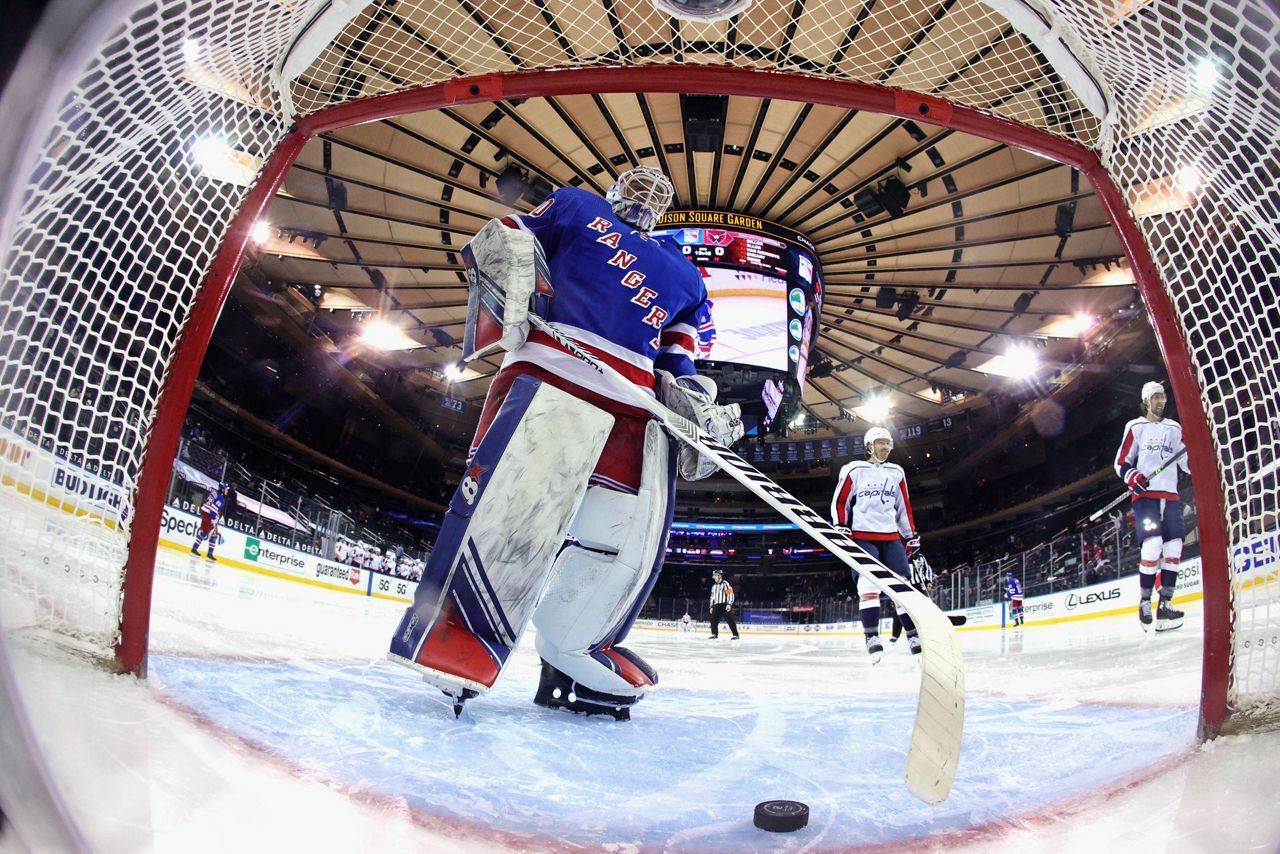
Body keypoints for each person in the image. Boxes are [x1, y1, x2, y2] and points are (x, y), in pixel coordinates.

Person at [388, 166, 743, 719]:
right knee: (514, 512)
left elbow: (678, 348)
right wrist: (505, 251)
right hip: (555, 370)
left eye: (658, 194)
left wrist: (693, 398)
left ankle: (578, 644)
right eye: (636, 185)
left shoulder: (685, 273)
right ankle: (459, 635)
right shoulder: (578, 206)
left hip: (637, 402)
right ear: (615, 188)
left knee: (629, 536)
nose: (644, 197)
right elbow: (519, 238)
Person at [831, 427, 920, 663]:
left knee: (902, 585)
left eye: (889, 443)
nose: (886, 447)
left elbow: (904, 506)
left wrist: (910, 534)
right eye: (881, 442)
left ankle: (912, 635)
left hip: (891, 537)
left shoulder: (896, 472)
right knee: (868, 582)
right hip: (862, 536)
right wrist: (840, 525)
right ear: (869, 445)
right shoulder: (853, 469)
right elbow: (841, 501)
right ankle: (871, 636)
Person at [1115, 381, 1191, 631]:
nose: (1162, 401)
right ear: (1147, 400)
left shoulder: (1174, 428)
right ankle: (1145, 601)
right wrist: (1133, 476)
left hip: (1170, 497)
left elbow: (1186, 463)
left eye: (1163, 396)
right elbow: (1121, 462)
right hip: (1146, 497)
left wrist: (1198, 454)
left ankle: (1165, 605)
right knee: (1153, 545)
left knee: (1174, 548)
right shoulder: (1136, 427)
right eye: (1156, 397)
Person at [191, 482, 227, 561]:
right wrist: (213, 520)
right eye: (226, 489)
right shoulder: (221, 498)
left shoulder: (214, 492)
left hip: (204, 512)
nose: (226, 490)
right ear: (223, 489)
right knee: (214, 534)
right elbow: (213, 508)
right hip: (209, 515)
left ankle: (194, 548)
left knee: (204, 531)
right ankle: (209, 554)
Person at [708, 569, 740, 640]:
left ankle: (735, 635)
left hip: (724, 605)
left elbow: (730, 594)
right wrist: (711, 606)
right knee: (713, 620)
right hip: (716, 605)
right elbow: (712, 597)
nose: (713, 577)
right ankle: (714, 634)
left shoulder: (725, 584)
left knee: (730, 620)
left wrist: (729, 604)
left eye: (715, 575)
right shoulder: (714, 586)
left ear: (719, 576)